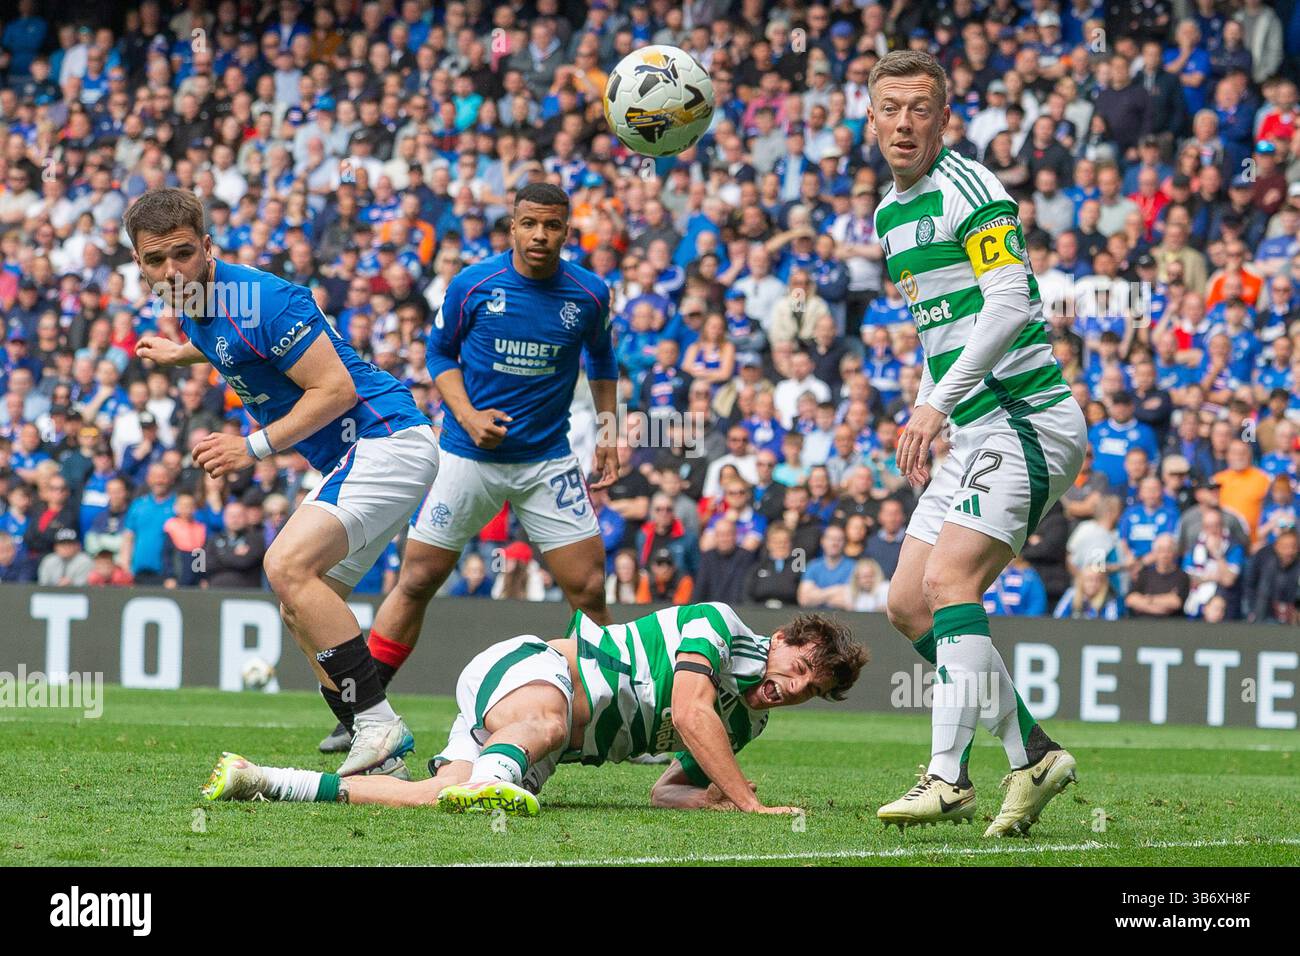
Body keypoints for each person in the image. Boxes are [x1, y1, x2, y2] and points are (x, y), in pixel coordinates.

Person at [126, 187, 439, 778]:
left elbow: (337, 390)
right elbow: (229, 346)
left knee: (286, 566)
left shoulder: (262, 298)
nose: (172, 270)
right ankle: (373, 754)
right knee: (301, 604)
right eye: (156, 260)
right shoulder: (200, 304)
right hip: (356, 454)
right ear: (139, 264)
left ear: (208, 248)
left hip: (385, 438)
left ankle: (379, 725)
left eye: (184, 254)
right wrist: (180, 355)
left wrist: (252, 448)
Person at [314, 182, 620, 754]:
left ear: (565, 231)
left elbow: (603, 360)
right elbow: (439, 355)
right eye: (529, 223)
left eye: (552, 226)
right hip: (465, 456)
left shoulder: (590, 293)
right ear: (512, 224)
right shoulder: (473, 284)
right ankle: (360, 712)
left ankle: (611, 718)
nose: (540, 235)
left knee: (589, 588)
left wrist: (609, 431)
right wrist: (468, 413)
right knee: (419, 578)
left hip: (547, 460)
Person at [870, 51, 1084, 836]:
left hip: (1028, 417)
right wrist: (942, 410)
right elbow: (950, 325)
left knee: (952, 580)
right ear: (870, 117)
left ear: (944, 117)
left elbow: (1010, 302)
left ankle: (947, 776)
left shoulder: (971, 187)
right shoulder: (888, 216)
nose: (903, 122)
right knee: (905, 603)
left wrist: (932, 404)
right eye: (890, 107)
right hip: (974, 427)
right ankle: (1031, 755)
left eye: (920, 108)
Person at [202, 605, 869, 816]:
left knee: (441, 794)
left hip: (535, 742)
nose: (794, 687)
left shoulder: (750, 721)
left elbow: (669, 789)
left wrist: (714, 798)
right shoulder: (718, 626)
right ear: (783, 640)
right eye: (801, 668)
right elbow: (692, 712)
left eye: (812, 690)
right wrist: (749, 802)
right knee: (545, 725)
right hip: (540, 674)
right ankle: (499, 776)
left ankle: (264, 781)